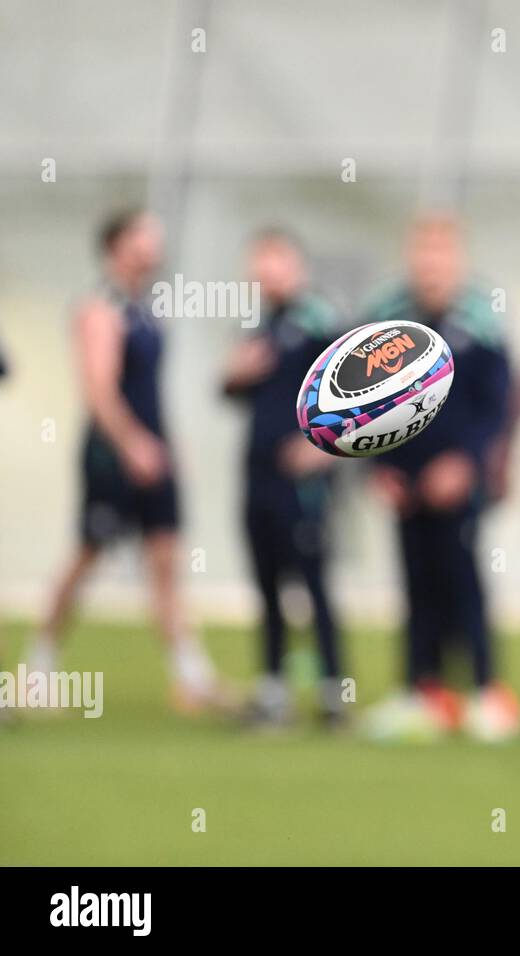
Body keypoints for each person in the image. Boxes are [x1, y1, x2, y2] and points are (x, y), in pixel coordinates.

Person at [27, 210, 221, 712]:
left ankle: (191, 676)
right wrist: (133, 444)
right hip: (113, 456)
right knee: (88, 555)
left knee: (166, 562)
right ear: (117, 245)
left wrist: (166, 444)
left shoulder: (145, 309)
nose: (154, 245)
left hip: (153, 453)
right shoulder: (100, 307)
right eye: (143, 236)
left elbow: (150, 391)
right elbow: (99, 388)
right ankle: (37, 668)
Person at [365, 215, 519, 742]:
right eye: (422, 251)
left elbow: (497, 403)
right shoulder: (386, 320)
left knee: (465, 580)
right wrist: (378, 468)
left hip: (458, 480)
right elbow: (359, 405)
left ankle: (484, 692)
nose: (430, 264)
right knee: (414, 583)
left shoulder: (480, 320)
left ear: (457, 259)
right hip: (404, 483)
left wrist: (467, 463)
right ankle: (421, 692)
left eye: (441, 252)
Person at [222, 229, 345, 727]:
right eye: (258, 260)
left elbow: (357, 394)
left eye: (274, 259)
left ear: (296, 264)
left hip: (303, 479)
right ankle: (273, 689)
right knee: (267, 581)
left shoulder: (320, 320)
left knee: (312, 582)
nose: (263, 270)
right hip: (258, 472)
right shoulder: (258, 324)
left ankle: (334, 691)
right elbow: (229, 390)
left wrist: (322, 450)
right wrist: (237, 372)